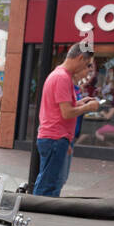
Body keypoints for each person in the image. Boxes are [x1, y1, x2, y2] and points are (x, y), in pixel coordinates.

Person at [33, 42, 100, 197]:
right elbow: (67, 113)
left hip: (54, 137)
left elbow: (60, 108)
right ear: (81, 58)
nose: (86, 68)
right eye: (87, 63)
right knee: (49, 186)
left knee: (48, 182)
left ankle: (40, 214)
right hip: (55, 137)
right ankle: (40, 218)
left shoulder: (59, 75)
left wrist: (79, 103)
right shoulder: (62, 77)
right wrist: (88, 108)